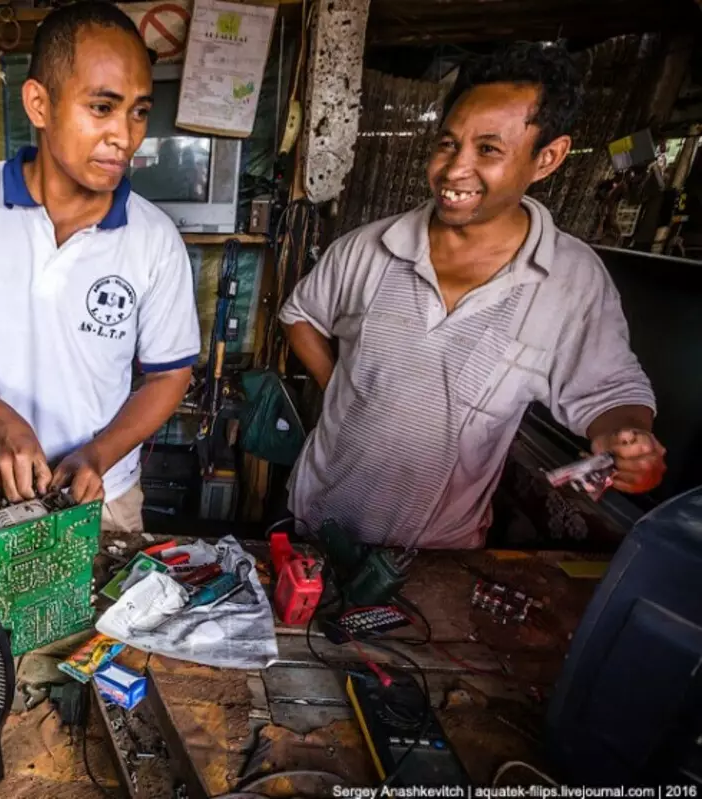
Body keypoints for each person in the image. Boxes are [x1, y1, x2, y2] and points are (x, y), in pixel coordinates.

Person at [279, 43, 667, 550]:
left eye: (487, 149)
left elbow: (612, 396)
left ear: (547, 157)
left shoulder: (570, 282)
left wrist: (627, 439)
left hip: (439, 551)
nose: (454, 171)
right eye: (447, 144)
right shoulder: (368, 249)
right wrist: (340, 389)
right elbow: (300, 315)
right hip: (313, 520)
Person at [0, 1, 200, 533]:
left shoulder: (154, 239)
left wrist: (101, 453)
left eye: (138, 111)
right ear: (40, 104)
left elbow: (169, 374)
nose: (126, 136)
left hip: (100, 499)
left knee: (102, 618)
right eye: (103, 107)